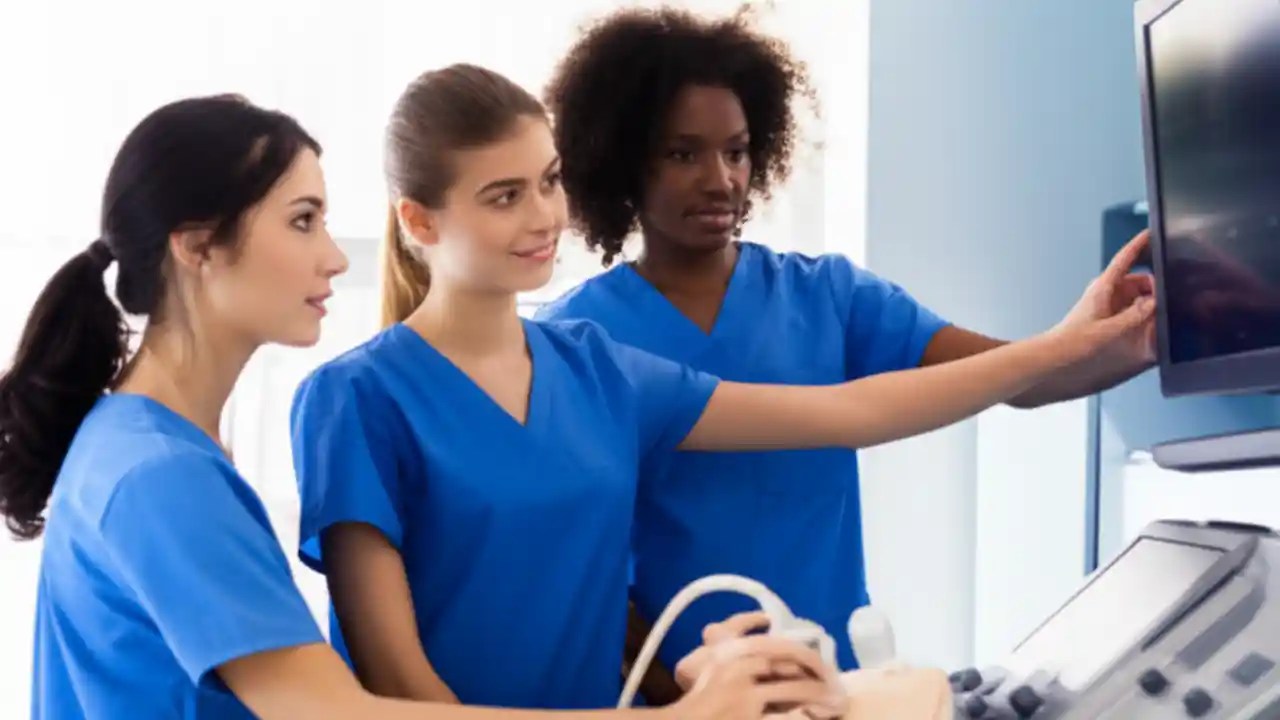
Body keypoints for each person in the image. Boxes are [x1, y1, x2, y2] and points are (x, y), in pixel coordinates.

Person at [288, 63, 1153, 711]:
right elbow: (398, 683)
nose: (544, 216)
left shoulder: (597, 369)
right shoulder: (356, 399)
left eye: (548, 182)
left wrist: (1060, 344)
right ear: (418, 220)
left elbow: (849, 410)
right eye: (504, 196)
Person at [2, 94, 831, 720]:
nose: (332, 256)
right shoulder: (159, 478)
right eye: (303, 221)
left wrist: (672, 685)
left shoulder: (144, 447)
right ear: (197, 246)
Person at [535, 6, 1158, 690]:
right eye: (683, 154)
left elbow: (1012, 378)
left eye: (737, 151)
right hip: (687, 692)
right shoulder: (575, 340)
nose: (721, 180)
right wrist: (678, 693)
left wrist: (1121, 342)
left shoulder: (829, 297)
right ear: (624, 161)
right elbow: (579, 565)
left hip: (836, 685)